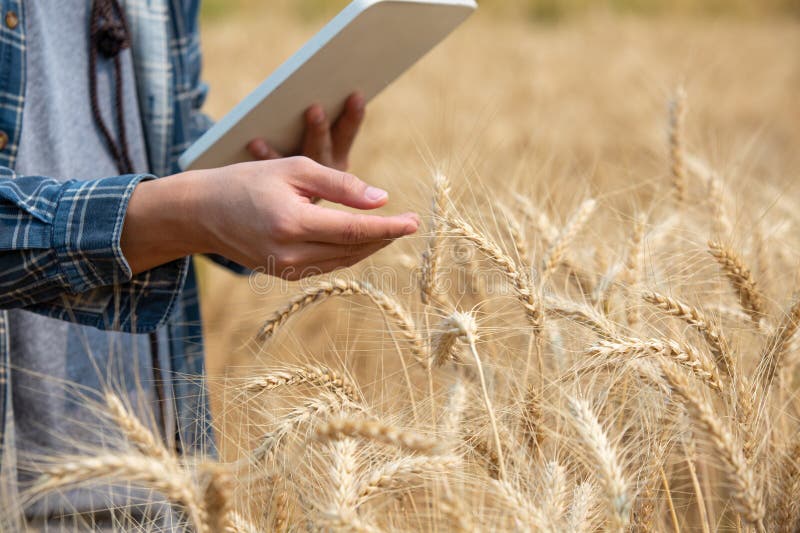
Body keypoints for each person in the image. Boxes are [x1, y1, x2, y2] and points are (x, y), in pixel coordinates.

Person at [0, 0, 418, 527]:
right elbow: (177, 202)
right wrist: (191, 213)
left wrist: (269, 179)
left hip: (161, 484)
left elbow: (167, 144)